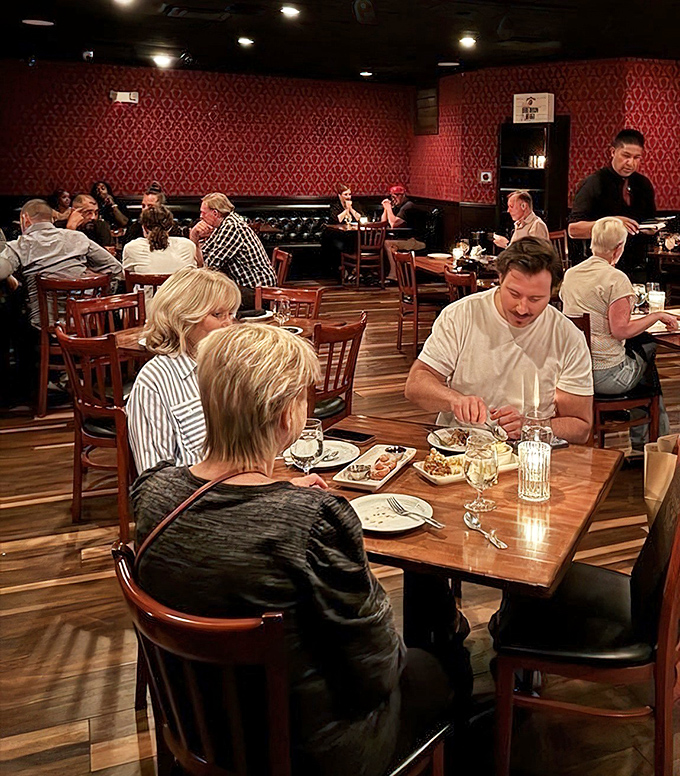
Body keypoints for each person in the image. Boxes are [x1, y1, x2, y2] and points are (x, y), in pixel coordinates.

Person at [131, 323, 455, 776]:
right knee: (435, 674)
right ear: (288, 416)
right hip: (305, 753)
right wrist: (295, 504)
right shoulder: (313, 521)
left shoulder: (153, 492)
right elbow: (379, 665)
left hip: (199, 728)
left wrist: (277, 491)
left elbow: (227, 518)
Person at [405, 237, 594, 443]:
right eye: (514, 294)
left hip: (529, 452)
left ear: (552, 293)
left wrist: (530, 426)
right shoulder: (462, 315)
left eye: (535, 299)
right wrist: (454, 399)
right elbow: (416, 384)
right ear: (500, 278)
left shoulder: (568, 337)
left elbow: (580, 427)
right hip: (460, 448)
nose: (522, 308)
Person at [561, 217, 678, 448]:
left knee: (643, 359)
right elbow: (620, 330)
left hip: (575, 371)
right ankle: (652, 443)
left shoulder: (571, 274)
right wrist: (656, 316)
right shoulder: (616, 279)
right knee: (649, 354)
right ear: (619, 247)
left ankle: (648, 439)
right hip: (606, 376)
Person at [126, 267, 241, 474]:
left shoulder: (234, 366)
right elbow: (154, 481)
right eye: (218, 315)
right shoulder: (155, 381)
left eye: (230, 314)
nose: (228, 324)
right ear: (183, 317)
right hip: (198, 500)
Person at [0, 198, 122, 328]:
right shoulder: (77, 237)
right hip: (86, 323)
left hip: (44, 327)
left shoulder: (19, 245)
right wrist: (99, 299)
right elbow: (115, 268)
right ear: (52, 220)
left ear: (25, 219)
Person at [568, 129, 656, 279]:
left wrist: (650, 228)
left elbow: (650, 220)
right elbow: (573, 230)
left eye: (637, 158)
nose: (631, 163)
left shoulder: (643, 184)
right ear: (612, 152)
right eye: (626, 156)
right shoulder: (594, 182)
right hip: (600, 269)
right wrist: (611, 223)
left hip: (638, 265)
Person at [190, 192, 276, 289]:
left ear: (215, 213)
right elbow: (204, 256)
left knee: (207, 292)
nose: (201, 216)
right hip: (243, 285)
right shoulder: (221, 226)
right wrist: (195, 239)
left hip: (256, 287)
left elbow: (209, 267)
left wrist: (194, 240)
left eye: (203, 213)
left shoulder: (232, 227)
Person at [122, 204, 199, 293]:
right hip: (182, 305)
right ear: (170, 227)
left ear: (144, 227)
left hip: (146, 306)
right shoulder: (188, 245)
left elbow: (127, 277)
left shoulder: (131, 248)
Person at [381, 185, 427, 282]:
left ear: (403, 195)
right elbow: (383, 222)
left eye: (397, 196)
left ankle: (394, 274)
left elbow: (394, 224)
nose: (394, 199)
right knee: (389, 244)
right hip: (405, 238)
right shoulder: (398, 206)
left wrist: (388, 208)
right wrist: (386, 209)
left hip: (417, 239)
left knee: (388, 244)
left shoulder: (408, 206)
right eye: (393, 196)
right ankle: (395, 274)